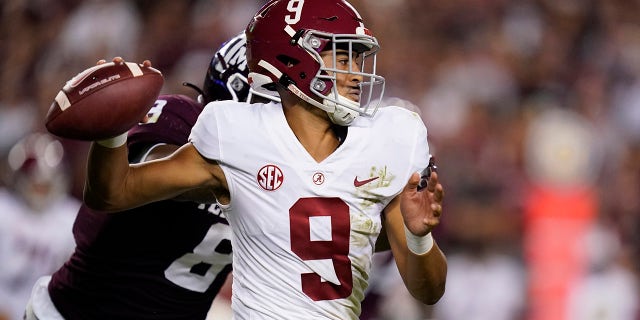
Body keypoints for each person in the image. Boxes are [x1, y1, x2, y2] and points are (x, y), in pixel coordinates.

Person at [82, 0, 447, 318]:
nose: (357, 73)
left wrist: (419, 238)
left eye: (358, 56)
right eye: (342, 55)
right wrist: (111, 130)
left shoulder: (388, 139)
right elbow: (113, 194)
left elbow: (428, 290)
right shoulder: (236, 134)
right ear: (293, 60)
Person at [24, 33, 275, 320]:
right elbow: (156, 168)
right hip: (79, 311)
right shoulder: (182, 121)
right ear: (242, 94)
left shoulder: (287, 170)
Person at [0, 133, 78, 320]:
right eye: (35, 183)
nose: (40, 190)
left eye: (45, 184)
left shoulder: (71, 217)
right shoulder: (4, 210)